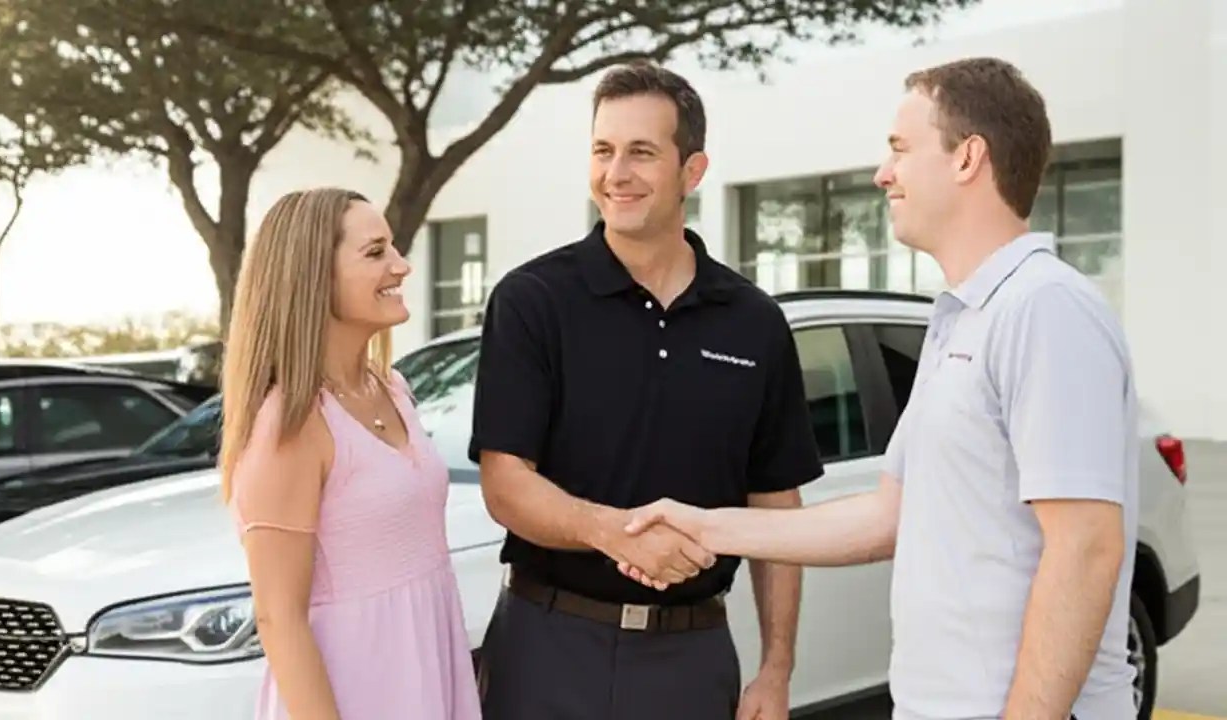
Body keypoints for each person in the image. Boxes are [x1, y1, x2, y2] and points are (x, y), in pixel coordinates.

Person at [622, 57, 1139, 720]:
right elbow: (885, 517)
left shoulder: (1044, 308)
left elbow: (1086, 546)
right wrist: (706, 524)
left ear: (968, 158)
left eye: (900, 149)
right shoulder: (963, 317)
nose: (882, 174)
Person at [467, 60, 825, 720]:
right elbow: (505, 483)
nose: (616, 174)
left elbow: (777, 507)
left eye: (641, 153)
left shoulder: (754, 321)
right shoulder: (532, 300)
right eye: (602, 151)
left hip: (691, 657)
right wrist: (614, 533)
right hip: (548, 645)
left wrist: (777, 671)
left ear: (692, 171)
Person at [218, 188, 482, 720]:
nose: (402, 266)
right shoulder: (289, 425)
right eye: (375, 252)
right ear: (314, 276)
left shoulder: (394, 388)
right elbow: (277, 617)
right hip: (351, 693)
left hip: (426, 671)